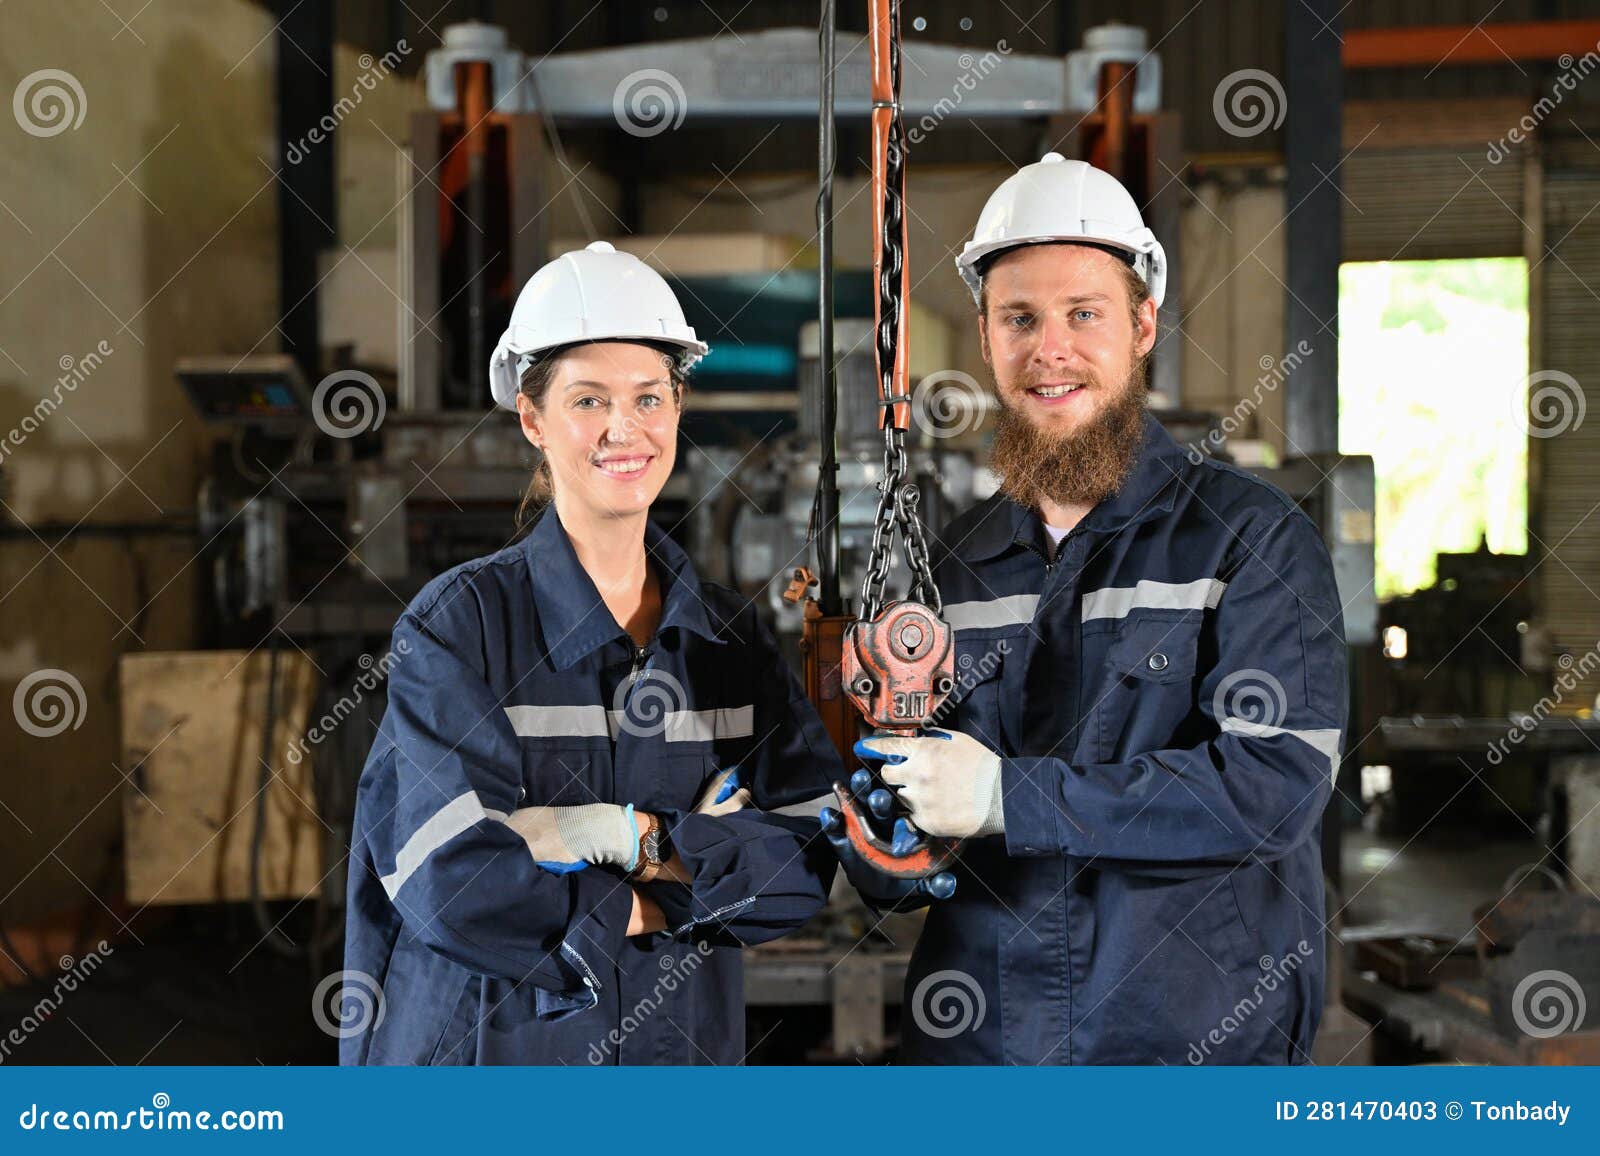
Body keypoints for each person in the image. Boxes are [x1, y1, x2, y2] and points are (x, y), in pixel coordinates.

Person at [823, 154, 1347, 1065]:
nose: (1048, 350)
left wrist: (1005, 797)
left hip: (1189, 1052)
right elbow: (929, 845)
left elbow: (1273, 792)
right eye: (1018, 318)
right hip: (980, 1050)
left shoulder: (1248, 540)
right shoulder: (957, 564)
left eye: (1083, 315)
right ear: (984, 337)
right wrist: (884, 841)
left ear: (1143, 325)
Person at [344, 241, 837, 1065]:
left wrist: (629, 836)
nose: (624, 429)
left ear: (678, 408)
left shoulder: (726, 638)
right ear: (533, 419)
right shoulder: (459, 630)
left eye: (649, 397)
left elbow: (806, 855)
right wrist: (684, 878)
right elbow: (453, 884)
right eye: (588, 400)